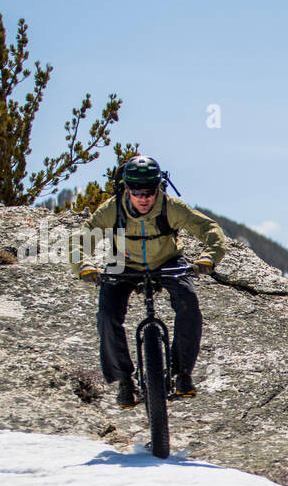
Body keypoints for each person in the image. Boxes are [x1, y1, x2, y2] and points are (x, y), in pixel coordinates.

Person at [72, 156, 227, 407]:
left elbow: (210, 230)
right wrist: (84, 265)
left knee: (189, 304)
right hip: (124, 264)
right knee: (107, 315)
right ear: (126, 190)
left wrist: (208, 258)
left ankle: (182, 374)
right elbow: (82, 238)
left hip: (167, 260)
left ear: (158, 189)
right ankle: (124, 381)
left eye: (149, 193)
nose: (143, 199)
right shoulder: (112, 209)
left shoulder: (171, 208)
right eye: (136, 193)